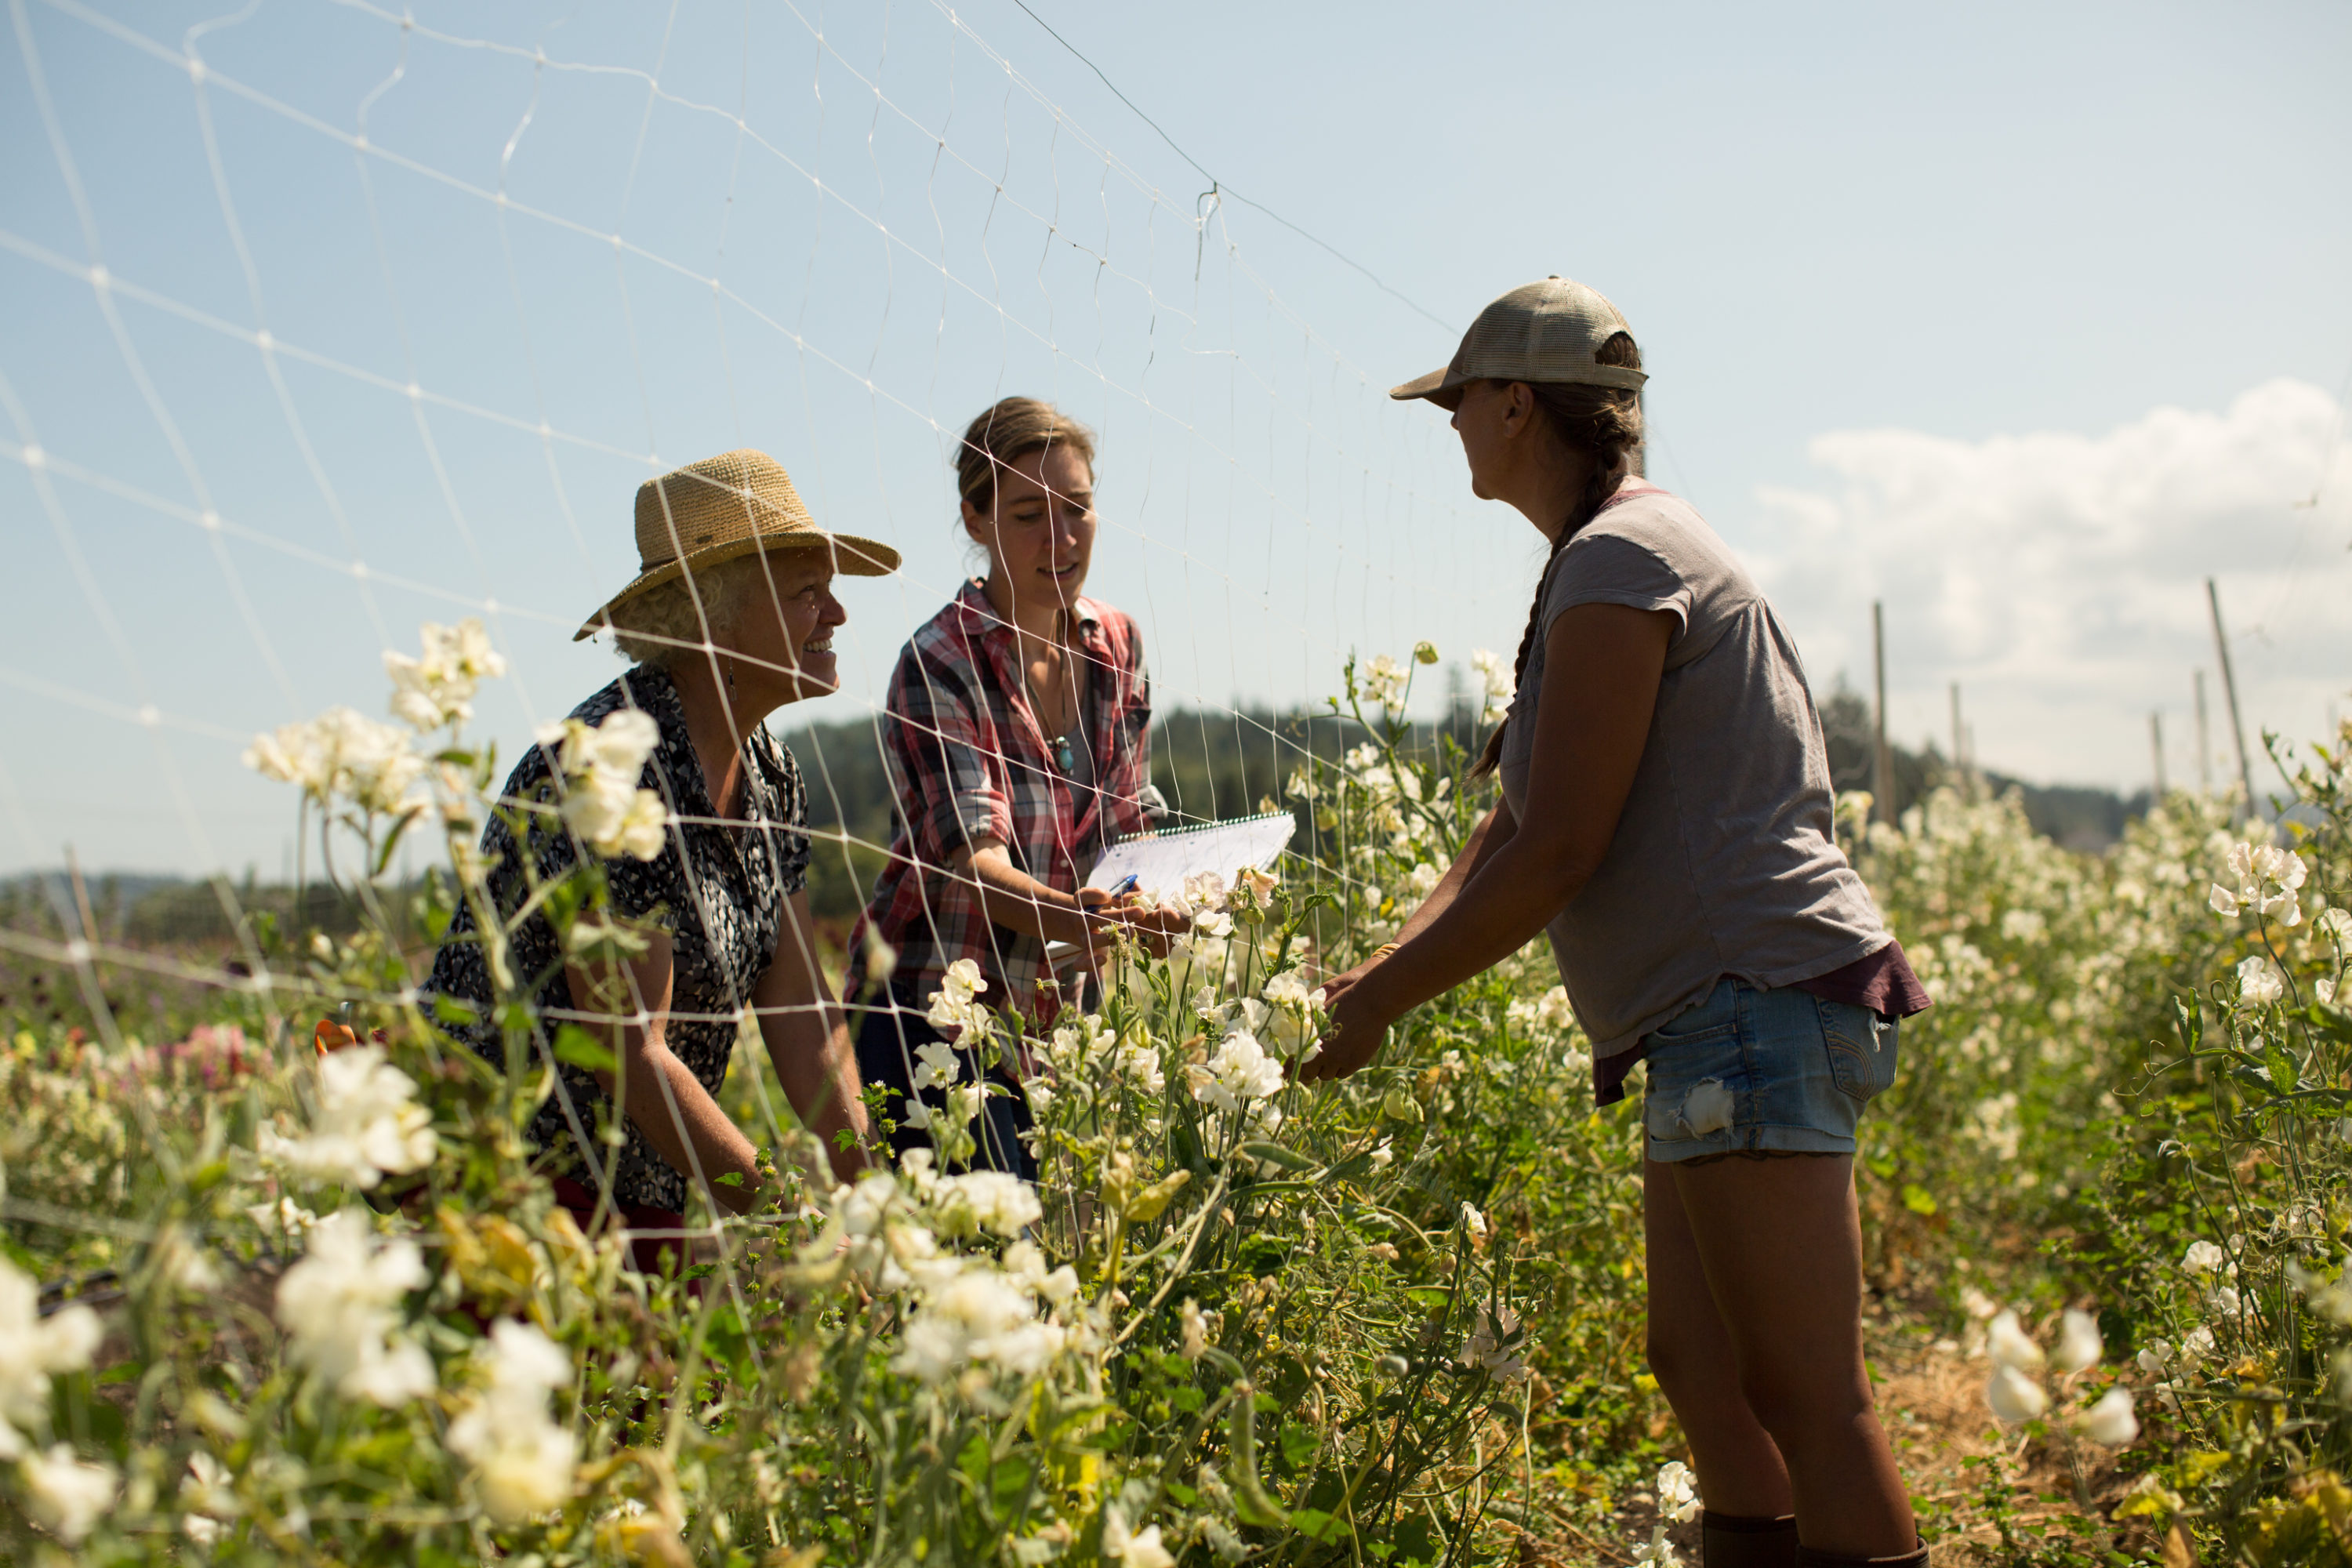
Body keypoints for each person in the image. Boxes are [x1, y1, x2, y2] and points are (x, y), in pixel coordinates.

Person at [1309, 279, 1932, 1568]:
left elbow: (1561, 852)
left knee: (1808, 1400)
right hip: (1714, 1013)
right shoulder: (1598, 560)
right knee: (1705, 1374)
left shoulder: (1619, 561)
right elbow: (1511, 826)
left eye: (1460, 401)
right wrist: (1374, 967)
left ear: (1519, 405)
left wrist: (1379, 1002)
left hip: (1751, 1000)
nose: (1451, 426)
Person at [423, 448, 891, 1273]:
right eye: (806, 592)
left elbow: (803, 1015)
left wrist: (879, 1204)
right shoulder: (609, 768)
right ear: (715, 615)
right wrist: (795, 1219)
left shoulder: (773, 777)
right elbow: (631, 1055)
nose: (840, 614)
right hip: (510, 1194)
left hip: (637, 1193)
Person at [848, 397, 1184, 1177]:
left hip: (1057, 1020)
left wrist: (1159, 896)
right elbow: (975, 860)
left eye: (1078, 508)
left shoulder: (1116, 642)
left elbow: (1126, 818)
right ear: (974, 519)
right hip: (934, 1015)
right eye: (1030, 513)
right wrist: (1085, 918)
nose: (1061, 539)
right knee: (978, 1268)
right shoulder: (939, 659)